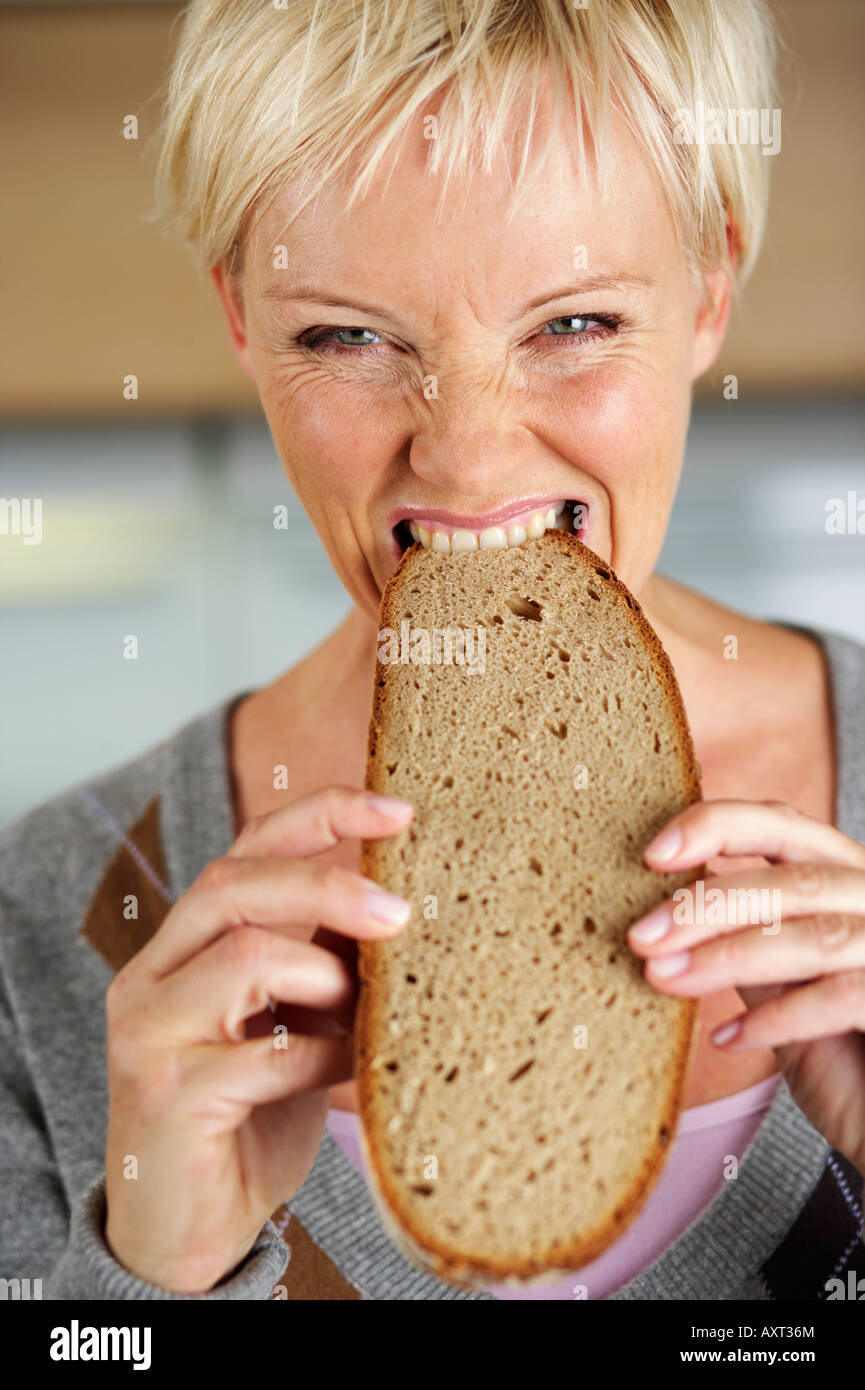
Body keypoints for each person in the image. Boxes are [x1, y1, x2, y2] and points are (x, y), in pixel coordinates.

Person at [2, 0, 863, 1302]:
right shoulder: (49, 913)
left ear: (709, 287)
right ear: (240, 317)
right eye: (345, 336)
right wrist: (144, 1279)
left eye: (571, 324)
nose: (462, 453)